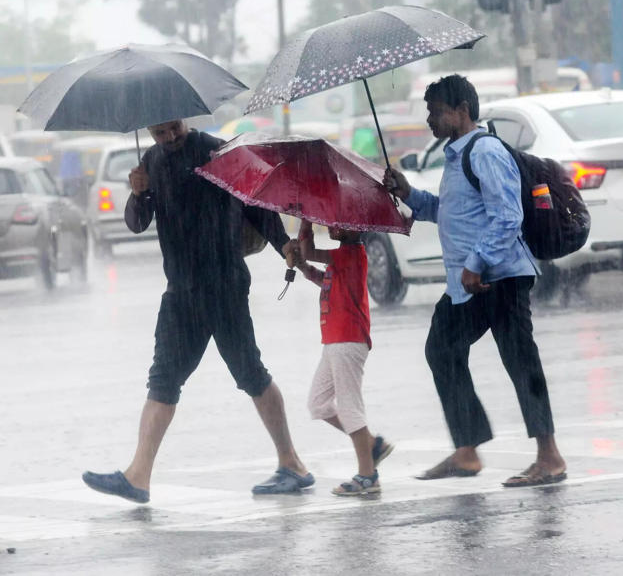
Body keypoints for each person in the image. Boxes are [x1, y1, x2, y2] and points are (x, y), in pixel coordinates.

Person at [82, 119, 313, 503]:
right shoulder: (151, 162)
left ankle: (292, 463)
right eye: (159, 133)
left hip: (224, 284)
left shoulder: (218, 151)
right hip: (181, 291)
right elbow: (137, 224)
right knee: (163, 379)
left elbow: (255, 204)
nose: (169, 137)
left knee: (250, 373)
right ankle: (138, 477)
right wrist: (138, 194)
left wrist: (284, 244)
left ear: (185, 119)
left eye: (174, 129)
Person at [383, 75, 566, 487]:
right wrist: (408, 192)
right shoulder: (456, 155)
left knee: (520, 363)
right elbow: (448, 210)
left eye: (436, 111)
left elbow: (508, 216)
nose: (430, 120)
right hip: (470, 282)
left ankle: (549, 457)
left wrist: (478, 261)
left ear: (462, 110)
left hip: (498, 277)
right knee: (442, 349)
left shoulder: (483, 151)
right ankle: (467, 451)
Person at [296, 219, 393, 495]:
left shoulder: (352, 253)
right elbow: (323, 277)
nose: (333, 227)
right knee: (319, 404)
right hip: (335, 341)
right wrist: (303, 268)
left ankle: (367, 475)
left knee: (350, 407)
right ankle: (371, 444)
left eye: (342, 224)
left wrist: (305, 222)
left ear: (358, 229)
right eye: (332, 222)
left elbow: (309, 252)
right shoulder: (341, 260)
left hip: (347, 339)